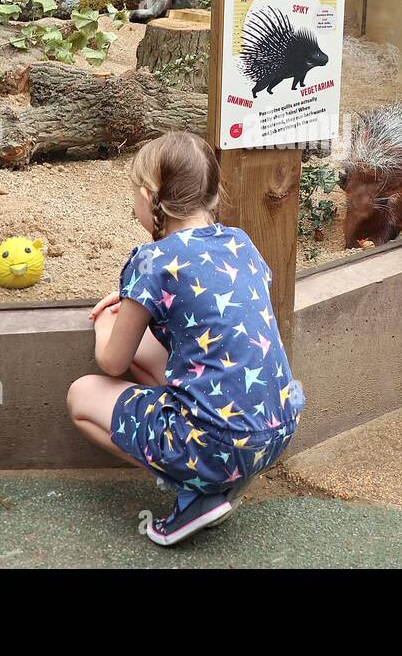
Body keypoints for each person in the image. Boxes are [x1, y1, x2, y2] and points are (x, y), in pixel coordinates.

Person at [67, 131, 304, 546]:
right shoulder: (241, 243)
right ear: (213, 195)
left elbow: (112, 363)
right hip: (278, 429)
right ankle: (219, 475)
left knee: (82, 396)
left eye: (134, 198)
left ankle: (195, 490)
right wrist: (132, 299)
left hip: (219, 444)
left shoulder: (153, 260)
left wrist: (106, 322)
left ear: (148, 195)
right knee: (156, 353)